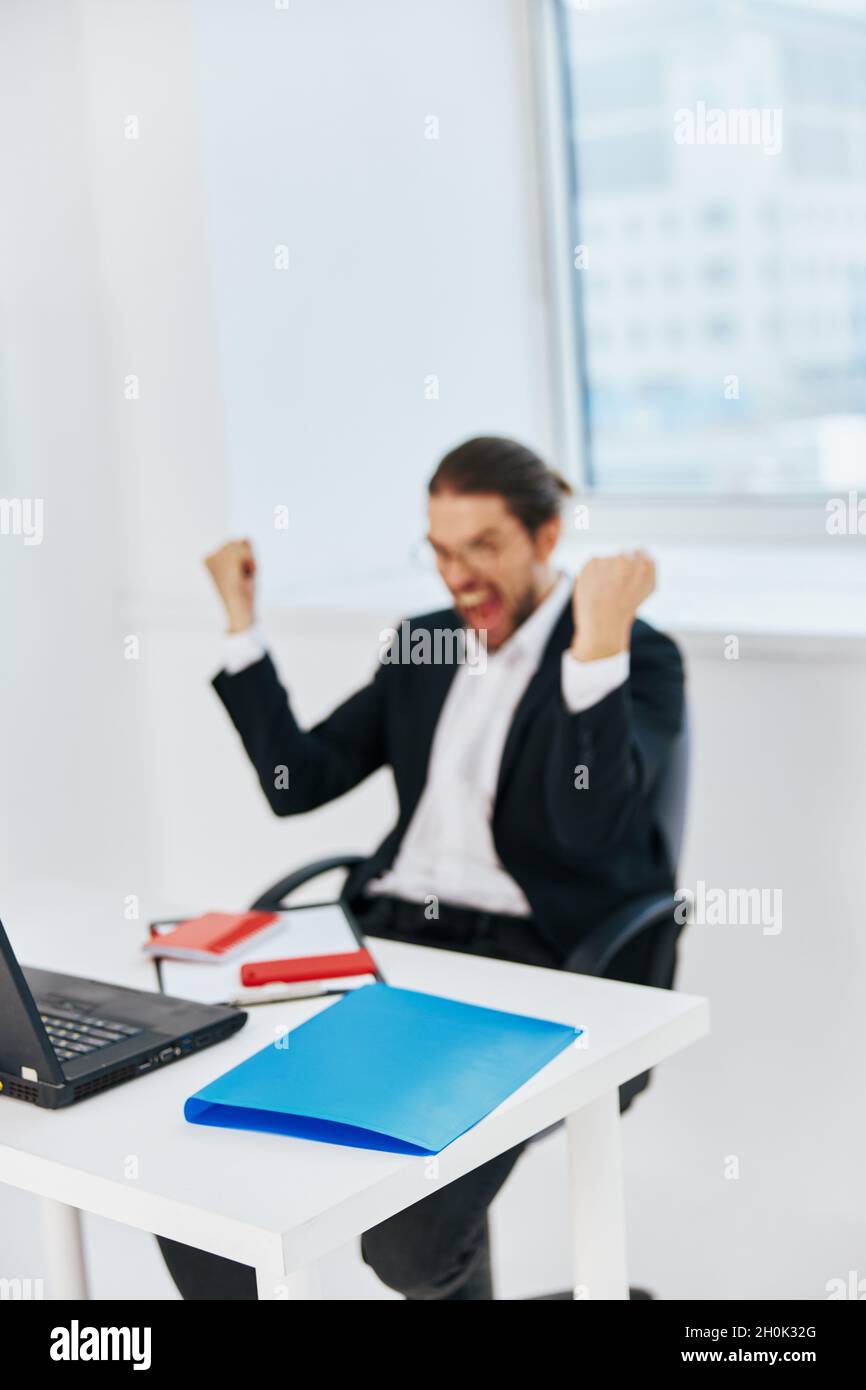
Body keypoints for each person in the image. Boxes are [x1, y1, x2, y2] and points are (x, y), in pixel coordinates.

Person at [157, 436, 685, 1300]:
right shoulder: (429, 644)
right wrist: (240, 624)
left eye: (483, 548)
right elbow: (298, 782)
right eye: (441, 551)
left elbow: (592, 836)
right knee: (203, 1180)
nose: (458, 577)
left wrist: (594, 651)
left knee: (409, 1241)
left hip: (532, 963)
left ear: (546, 538)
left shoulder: (636, 656)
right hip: (391, 938)